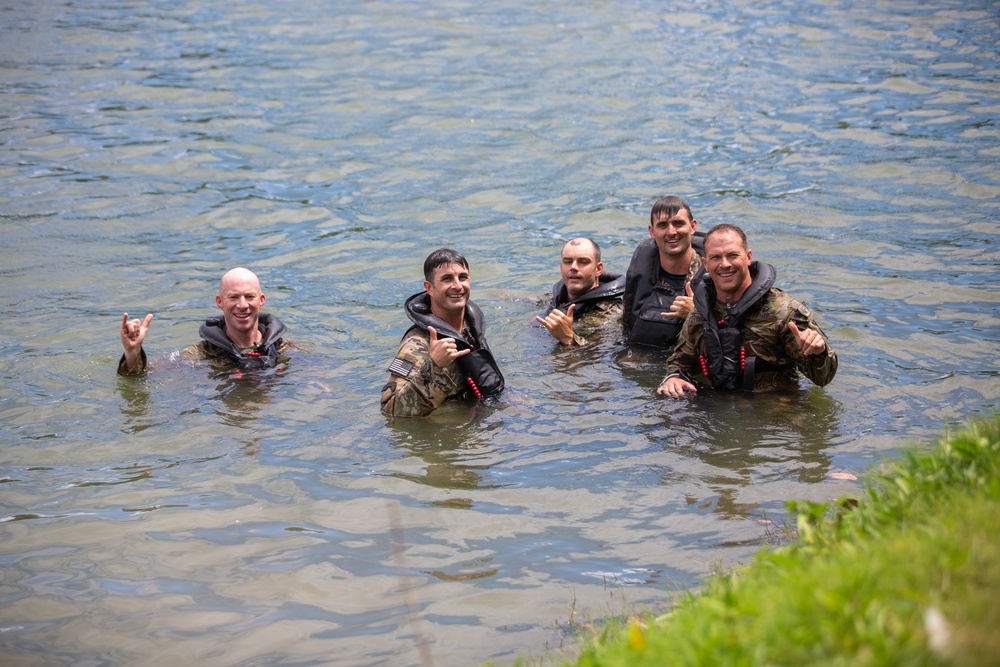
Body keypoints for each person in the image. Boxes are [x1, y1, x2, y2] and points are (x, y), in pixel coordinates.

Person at [657, 224, 837, 396]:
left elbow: (823, 378)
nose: (725, 264)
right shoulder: (700, 314)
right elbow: (679, 363)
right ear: (705, 263)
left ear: (748, 257)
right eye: (716, 257)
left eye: (733, 255)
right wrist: (674, 379)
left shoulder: (783, 312)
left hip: (777, 412)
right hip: (719, 409)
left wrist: (818, 353)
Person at [380, 248, 504, 417]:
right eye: (447, 279)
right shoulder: (416, 346)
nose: (457, 286)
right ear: (429, 288)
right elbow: (391, 410)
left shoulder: (470, 328)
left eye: (462, 277)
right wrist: (434, 366)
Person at [118, 267, 290, 375]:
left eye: (249, 296)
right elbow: (145, 377)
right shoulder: (199, 355)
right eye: (234, 297)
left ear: (261, 301)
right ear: (219, 302)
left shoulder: (284, 349)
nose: (242, 305)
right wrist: (132, 353)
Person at [622, 195, 707, 350]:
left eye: (678, 223)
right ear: (652, 231)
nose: (671, 232)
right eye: (662, 225)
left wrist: (697, 315)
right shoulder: (641, 277)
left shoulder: (715, 275)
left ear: (693, 226)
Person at [535, 237, 625, 346]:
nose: (573, 267)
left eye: (583, 262)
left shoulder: (615, 313)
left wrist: (569, 338)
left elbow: (602, 356)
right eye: (568, 262)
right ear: (561, 267)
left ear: (598, 269)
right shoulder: (553, 298)